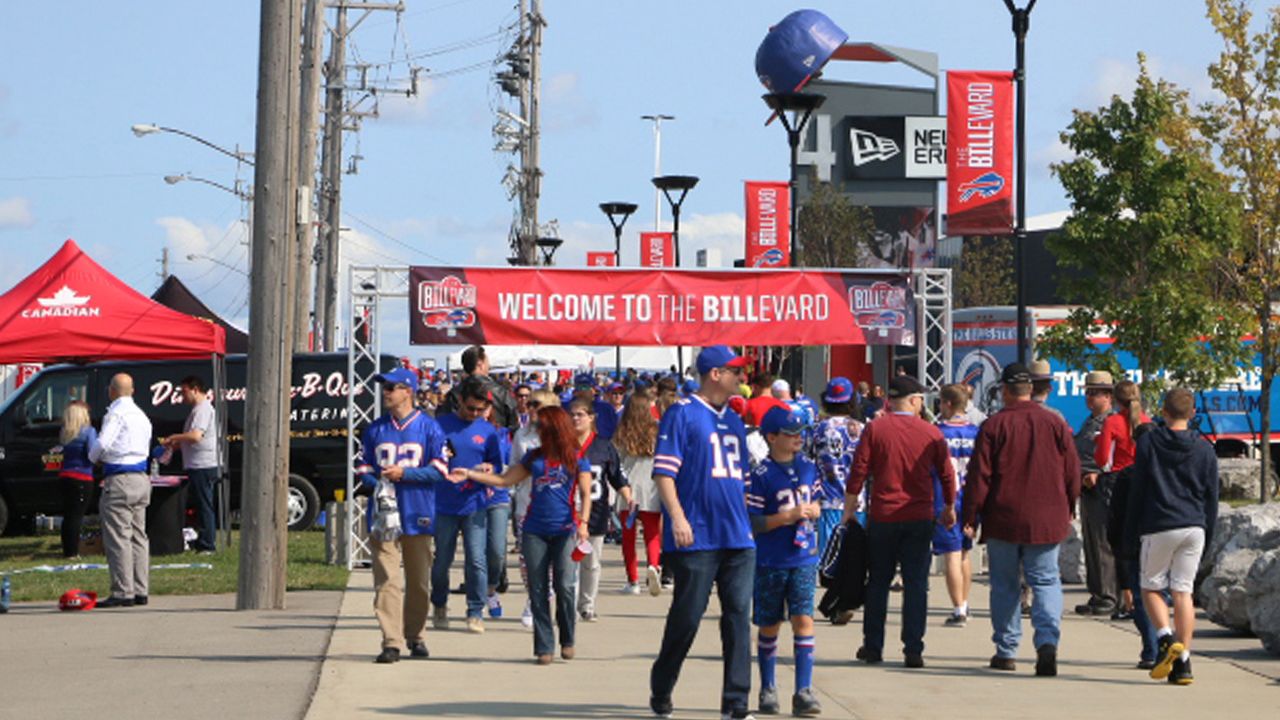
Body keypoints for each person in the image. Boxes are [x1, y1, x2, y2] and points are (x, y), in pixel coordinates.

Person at [649, 345, 755, 720]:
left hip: (737, 536)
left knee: (738, 617)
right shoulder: (682, 413)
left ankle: (736, 702)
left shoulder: (736, 421)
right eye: (734, 371)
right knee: (688, 616)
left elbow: (742, 481)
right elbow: (664, 473)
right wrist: (677, 518)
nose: (740, 378)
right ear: (715, 374)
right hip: (697, 535)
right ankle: (662, 687)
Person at [964, 363, 1081, 676]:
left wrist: (971, 515)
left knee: (1004, 584)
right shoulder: (1055, 423)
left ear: (1004, 391)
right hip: (1047, 516)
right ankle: (1047, 642)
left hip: (1003, 516)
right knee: (1045, 580)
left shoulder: (994, 426)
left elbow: (979, 476)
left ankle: (1006, 650)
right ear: (1030, 390)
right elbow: (1072, 470)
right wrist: (1069, 506)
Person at [453, 405, 592, 664]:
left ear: (556, 428)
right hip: (534, 530)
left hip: (565, 529)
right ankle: (544, 646)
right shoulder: (534, 458)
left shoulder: (576, 457)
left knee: (564, 585)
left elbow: (586, 494)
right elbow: (505, 480)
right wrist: (470, 474)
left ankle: (567, 637)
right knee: (538, 589)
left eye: (542, 426)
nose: (538, 431)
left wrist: (583, 523)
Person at [843, 375, 955, 668]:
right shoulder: (930, 432)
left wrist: (849, 507)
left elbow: (859, 469)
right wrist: (949, 506)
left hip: (883, 516)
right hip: (918, 516)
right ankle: (913, 649)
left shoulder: (875, 429)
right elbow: (946, 473)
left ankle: (873, 646)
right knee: (916, 583)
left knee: (878, 581)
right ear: (915, 400)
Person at [354, 368, 449, 663]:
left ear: (408, 391)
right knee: (387, 580)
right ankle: (391, 641)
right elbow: (362, 467)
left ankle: (415, 635)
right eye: (384, 387)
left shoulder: (429, 428)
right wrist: (378, 482)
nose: (385, 392)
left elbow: (440, 470)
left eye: (391, 387)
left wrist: (404, 474)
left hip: (418, 512)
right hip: (383, 516)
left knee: (419, 581)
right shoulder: (375, 429)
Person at [1126, 387, 1219, 685]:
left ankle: (1165, 638)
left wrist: (1131, 529)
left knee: (1150, 586)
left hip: (1159, 523)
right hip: (1194, 525)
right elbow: (1211, 496)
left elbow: (1138, 489)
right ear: (1193, 414)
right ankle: (1184, 662)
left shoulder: (1149, 443)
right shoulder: (1205, 449)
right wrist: (1208, 529)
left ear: (1163, 412)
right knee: (1183, 591)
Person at [747, 407, 824, 717]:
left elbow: (816, 499)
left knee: (803, 618)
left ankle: (804, 690)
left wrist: (814, 510)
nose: (797, 439)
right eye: (790, 434)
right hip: (771, 559)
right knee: (769, 624)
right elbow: (755, 522)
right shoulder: (760, 475)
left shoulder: (808, 467)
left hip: (803, 556)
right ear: (771, 437)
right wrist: (787, 517)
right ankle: (768, 687)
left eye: (800, 433)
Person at [432, 376, 504, 634]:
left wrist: (488, 468)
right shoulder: (440, 426)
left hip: (475, 503)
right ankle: (439, 604)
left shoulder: (488, 431)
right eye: (470, 408)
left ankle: (475, 611)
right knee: (442, 560)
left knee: (477, 559)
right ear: (460, 400)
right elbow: (429, 460)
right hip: (444, 503)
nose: (474, 413)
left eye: (480, 409)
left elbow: (497, 465)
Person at [88, 373, 154, 608]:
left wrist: (93, 458)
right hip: (141, 478)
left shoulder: (116, 414)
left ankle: (123, 591)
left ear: (111, 391)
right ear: (133, 390)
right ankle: (140, 589)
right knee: (138, 535)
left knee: (118, 537)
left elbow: (102, 443)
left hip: (119, 478)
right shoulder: (142, 416)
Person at [1091, 379, 1150, 619]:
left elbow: (1102, 460)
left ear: (1115, 399)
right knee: (1140, 540)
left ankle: (1127, 600)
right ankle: (1143, 597)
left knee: (1118, 541)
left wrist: (1098, 443)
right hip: (1143, 482)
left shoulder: (1112, 422)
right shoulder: (1147, 422)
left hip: (1117, 481)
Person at [570, 398, 632, 621]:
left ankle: (587, 605)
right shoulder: (564, 445)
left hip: (596, 510)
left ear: (591, 418)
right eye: (572, 415)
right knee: (569, 562)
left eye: (580, 414)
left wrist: (627, 496)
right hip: (567, 510)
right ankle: (569, 604)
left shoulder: (604, 446)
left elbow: (617, 476)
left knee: (591, 561)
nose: (575, 419)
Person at [511, 388, 559, 628]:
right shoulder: (521, 434)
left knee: (550, 560)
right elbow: (514, 465)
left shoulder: (562, 434)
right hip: (526, 503)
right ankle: (535, 596)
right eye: (528, 404)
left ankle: (544, 595)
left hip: (555, 505)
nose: (530, 408)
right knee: (526, 560)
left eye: (535, 404)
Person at [1073, 370, 1119, 616]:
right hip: (1086, 488)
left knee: (1103, 543)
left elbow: (1116, 458)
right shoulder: (1089, 422)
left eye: (1095, 393)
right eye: (1088, 392)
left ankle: (1109, 595)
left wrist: (1099, 474)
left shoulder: (1112, 422)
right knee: (1090, 542)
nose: (1089, 397)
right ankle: (1097, 592)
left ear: (1108, 396)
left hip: (1103, 488)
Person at [934, 384, 979, 627]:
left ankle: (958, 609)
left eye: (941, 402)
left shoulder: (938, 433)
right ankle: (964, 602)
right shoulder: (976, 432)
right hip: (969, 496)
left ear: (948, 404)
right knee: (964, 551)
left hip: (946, 498)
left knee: (951, 553)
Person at [161, 376, 220, 553]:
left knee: (204, 504)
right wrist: (176, 446)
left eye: (184, 391)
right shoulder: (197, 410)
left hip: (203, 464)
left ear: (195, 390)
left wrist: (174, 437)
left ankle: (208, 544)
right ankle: (202, 539)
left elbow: (195, 436)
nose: (182, 396)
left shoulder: (203, 410)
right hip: (196, 463)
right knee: (200, 504)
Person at [614, 393, 664, 596]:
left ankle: (632, 580)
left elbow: (616, 463)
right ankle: (653, 565)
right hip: (651, 489)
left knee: (628, 538)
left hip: (628, 489)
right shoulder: (657, 431)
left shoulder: (621, 433)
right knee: (652, 534)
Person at [809, 377, 862, 552]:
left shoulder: (817, 429)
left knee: (829, 558)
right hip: (858, 503)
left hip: (829, 501)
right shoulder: (864, 429)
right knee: (856, 559)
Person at [439, 345, 518, 431]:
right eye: (487, 363)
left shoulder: (455, 393)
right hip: (491, 436)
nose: (489, 366)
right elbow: (513, 423)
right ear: (480, 365)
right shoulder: (500, 392)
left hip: (463, 436)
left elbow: (445, 422)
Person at [57, 400, 97, 559]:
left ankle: (67, 549)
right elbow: (93, 453)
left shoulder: (65, 433)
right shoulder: (88, 432)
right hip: (82, 476)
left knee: (68, 515)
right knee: (77, 516)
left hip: (65, 476)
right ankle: (72, 552)